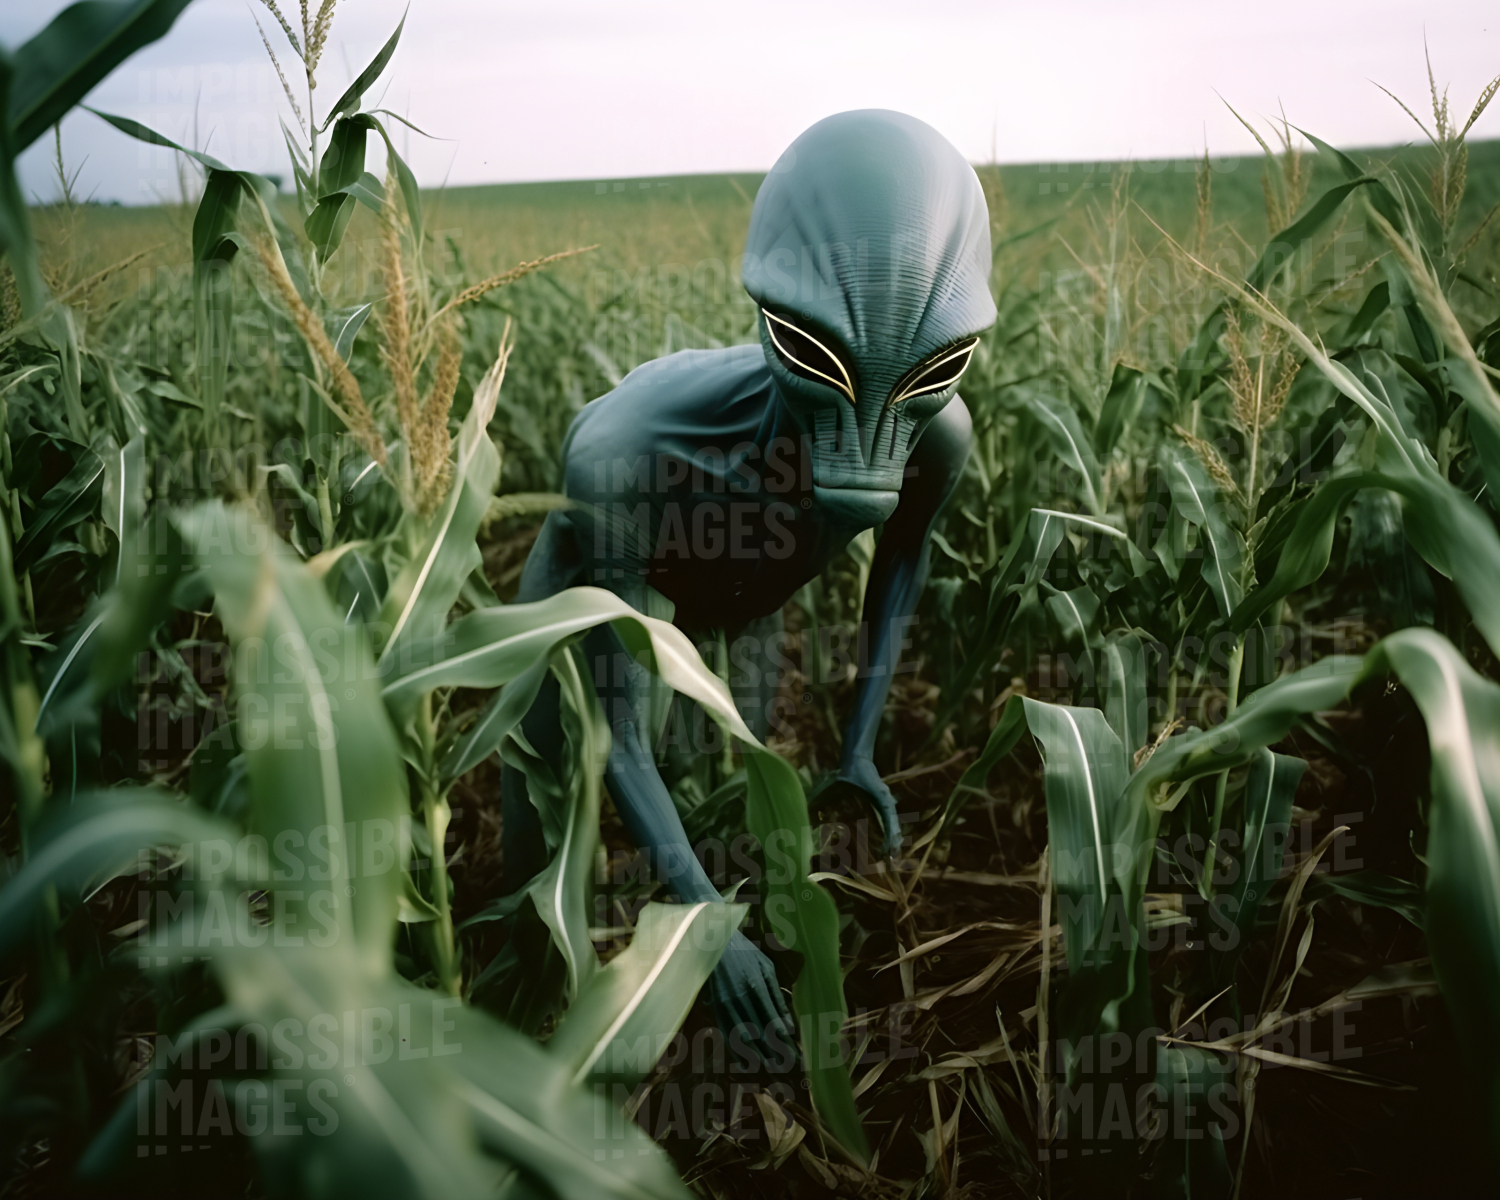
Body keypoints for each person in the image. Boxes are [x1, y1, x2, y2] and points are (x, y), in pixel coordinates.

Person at [502, 109, 997, 1056]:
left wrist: (857, 750)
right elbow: (614, 723)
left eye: (926, 375)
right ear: (778, 323)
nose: (867, 449)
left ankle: (711, 1027)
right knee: (540, 826)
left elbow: (901, 557)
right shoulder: (627, 454)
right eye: (827, 365)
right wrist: (702, 927)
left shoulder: (938, 433)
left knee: (730, 798)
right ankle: (528, 1015)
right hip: (606, 597)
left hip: (746, 591)